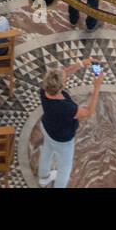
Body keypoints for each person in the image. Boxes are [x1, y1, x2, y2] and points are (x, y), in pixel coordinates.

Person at [38, 58, 104, 188]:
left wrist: (80, 64)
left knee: (47, 151)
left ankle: (43, 178)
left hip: (47, 128)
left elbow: (62, 75)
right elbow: (89, 111)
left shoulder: (44, 90)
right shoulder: (66, 108)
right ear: (61, 87)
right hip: (62, 139)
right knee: (65, 167)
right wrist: (97, 87)